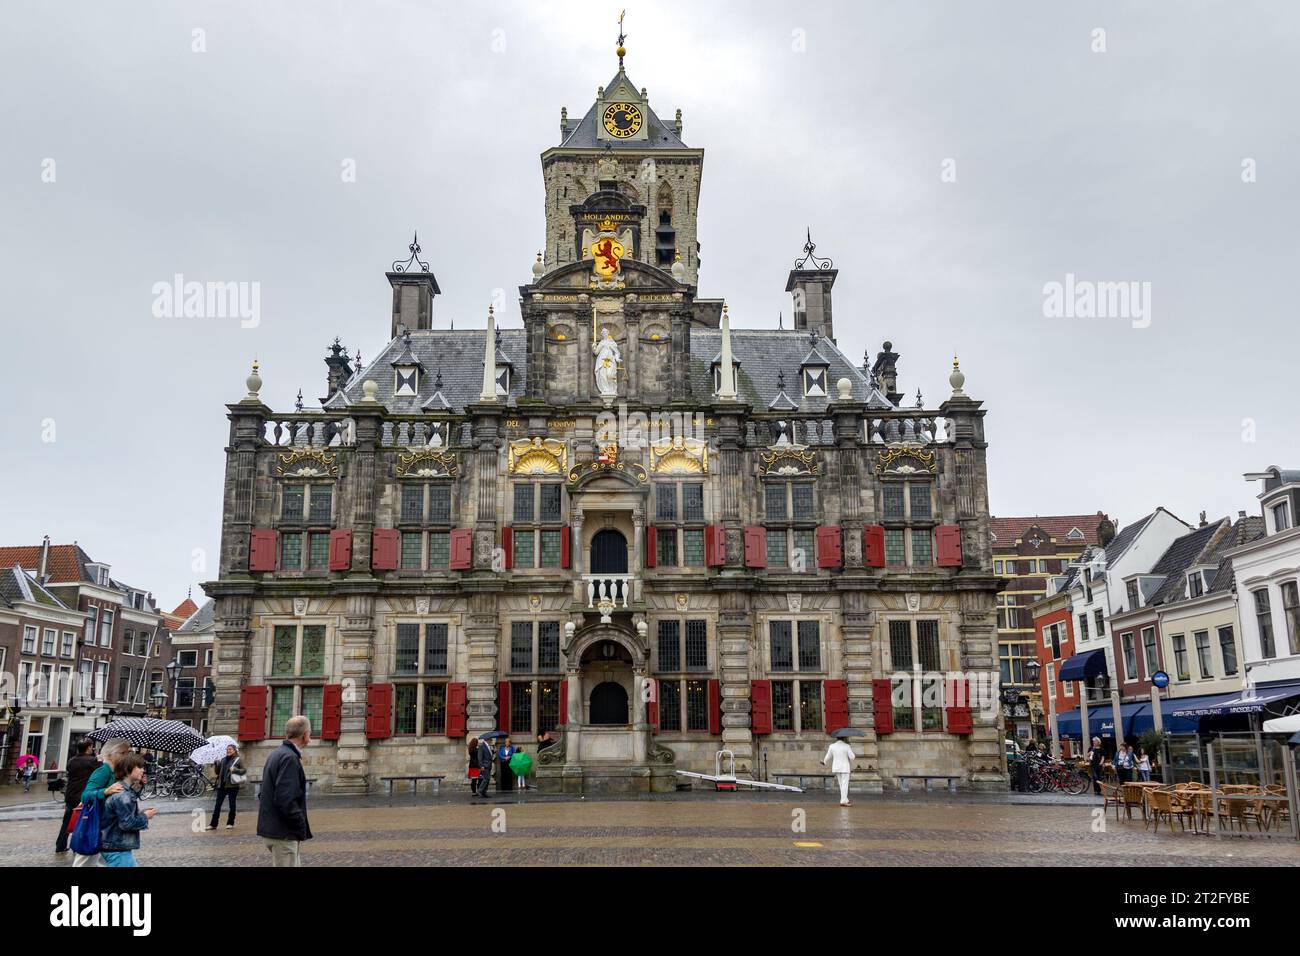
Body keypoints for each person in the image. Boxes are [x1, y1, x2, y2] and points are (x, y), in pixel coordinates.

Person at [257, 716, 313, 867]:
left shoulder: (277, 753)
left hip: (275, 830)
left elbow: (263, 793)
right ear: (305, 734)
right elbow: (285, 799)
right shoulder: (289, 758)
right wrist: (299, 822)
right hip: (283, 833)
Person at [73, 738, 131, 867]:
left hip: (108, 826)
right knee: (85, 860)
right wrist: (105, 791)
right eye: (123, 753)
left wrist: (138, 786)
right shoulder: (103, 771)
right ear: (111, 754)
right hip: (95, 824)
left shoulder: (116, 773)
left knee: (105, 861)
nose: (127, 756)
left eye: (128, 753)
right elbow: (85, 795)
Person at [100, 753, 155, 867]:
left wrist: (139, 786)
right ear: (127, 769)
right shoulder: (123, 794)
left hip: (114, 846)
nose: (142, 770)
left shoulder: (121, 789)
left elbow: (123, 814)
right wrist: (145, 816)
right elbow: (127, 823)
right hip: (117, 848)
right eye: (139, 767)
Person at [56, 739, 98, 854]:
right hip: (82, 796)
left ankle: (60, 845)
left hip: (70, 794)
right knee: (83, 822)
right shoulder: (91, 761)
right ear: (88, 747)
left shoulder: (71, 761)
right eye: (91, 747)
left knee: (67, 821)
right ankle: (78, 845)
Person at [207, 744, 246, 830]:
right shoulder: (223, 759)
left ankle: (230, 823)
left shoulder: (238, 760)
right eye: (227, 749)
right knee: (217, 805)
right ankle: (213, 824)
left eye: (230, 749)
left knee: (232, 805)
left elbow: (244, 771)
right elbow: (218, 772)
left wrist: (235, 770)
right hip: (222, 785)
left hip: (233, 785)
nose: (228, 751)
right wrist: (216, 764)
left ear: (235, 750)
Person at [822, 736, 856, 807]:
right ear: (844, 738)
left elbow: (828, 756)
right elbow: (852, 757)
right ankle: (843, 801)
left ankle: (845, 799)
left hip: (836, 767)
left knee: (841, 784)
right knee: (845, 784)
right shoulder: (847, 746)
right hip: (845, 768)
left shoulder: (832, 746)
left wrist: (824, 761)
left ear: (836, 738)